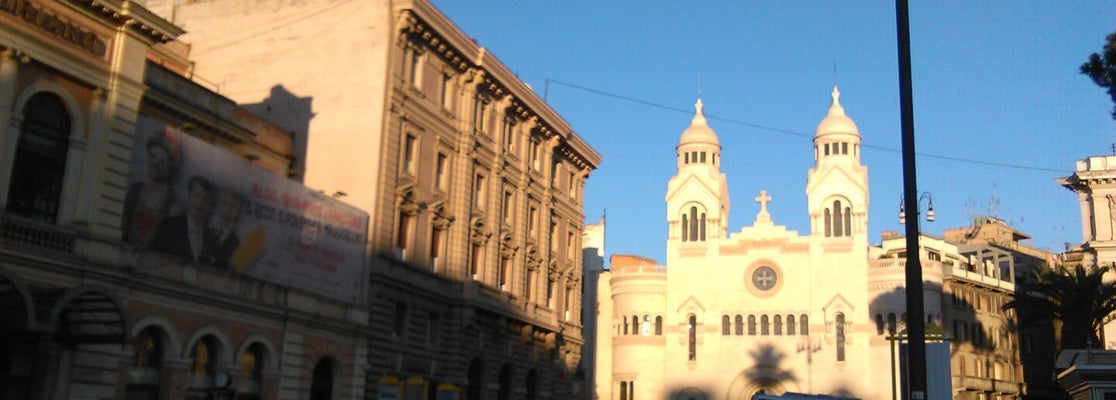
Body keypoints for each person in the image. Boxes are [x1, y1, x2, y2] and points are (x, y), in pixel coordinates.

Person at [122, 130, 182, 246]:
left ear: (171, 167)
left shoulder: (175, 205)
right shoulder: (136, 190)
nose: (155, 163)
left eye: (162, 160)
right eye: (152, 156)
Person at [152, 176, 215, 262]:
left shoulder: (210, 237)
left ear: (209, 204)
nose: (200, 203)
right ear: (188, 195)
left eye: (205, 199)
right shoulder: (169, 226)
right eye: (196, 195)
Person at [200, 188, 245, 269]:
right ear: (219, 205)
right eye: (224, 203)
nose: (227, 209)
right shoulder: (204, 232)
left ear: (238, 210)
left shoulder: (238, 244)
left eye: (232, 206)